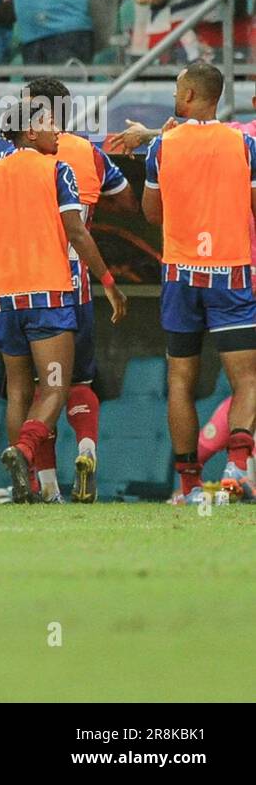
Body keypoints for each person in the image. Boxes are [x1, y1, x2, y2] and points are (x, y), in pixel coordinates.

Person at [0, 84, 127, 504]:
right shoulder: (57, 169)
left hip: (4, 299)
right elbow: (76, 231)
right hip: (51, 296)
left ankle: (36, 486)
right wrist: (109, 283)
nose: (55, 130)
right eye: (46, 123)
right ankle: (24, 451)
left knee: (20, 390)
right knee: (59, 387)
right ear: (28, 132)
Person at [139, 62, 256, 505]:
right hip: (231, 272)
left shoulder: (162, 147)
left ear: (188, 95)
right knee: (246, 380)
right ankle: (236, 466)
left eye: (176, 87)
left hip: (180, 274)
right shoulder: (244, 144)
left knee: (180, 380)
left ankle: (189, 486)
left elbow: (151, 213)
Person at [35, 76, 138, 500]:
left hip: (27, 281)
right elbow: (129, 201)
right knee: (79, 380)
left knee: (35, 387)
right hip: (76, 284)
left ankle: (43, 486)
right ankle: (87, 447)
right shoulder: (90, 154)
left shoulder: (14, 156)